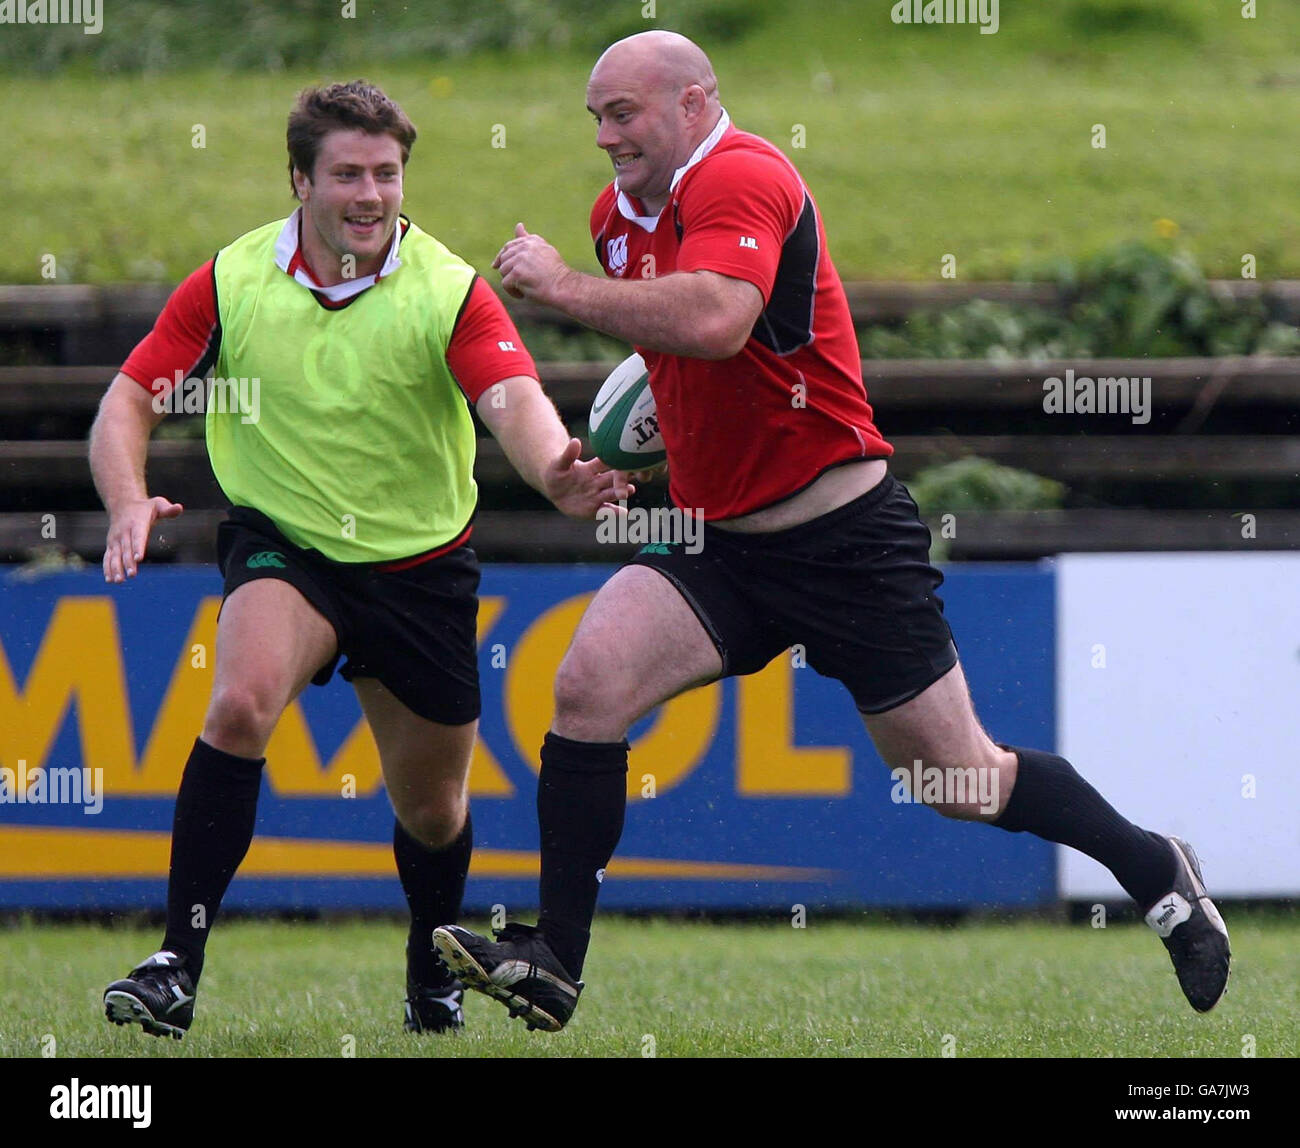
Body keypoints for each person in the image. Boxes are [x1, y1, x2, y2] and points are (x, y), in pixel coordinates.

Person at [433, 31, 1231, 1032]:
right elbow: (692, 365)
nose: (604, 135)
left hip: (841, 536)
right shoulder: (618, 216)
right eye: (595, 115)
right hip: (718, 541)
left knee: (960, 777)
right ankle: (554, 959)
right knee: (588, 684)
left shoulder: (745, 174)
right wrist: (633, 461)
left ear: (692, 101)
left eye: (622, 113)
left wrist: (558, 289)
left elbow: (720, 318)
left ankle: (1155, 867)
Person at [89, 80, 632, 1039]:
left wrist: (560, 475)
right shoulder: (231, 279)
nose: (371, 193)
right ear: (300, 179)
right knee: (241, 700)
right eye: (347, 173)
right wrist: (128, 498)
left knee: (432, 808)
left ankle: (433, 967)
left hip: (419, 567)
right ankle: (177, 959)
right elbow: (129, 402)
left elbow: (513, 404)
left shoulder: (448, 290)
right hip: (283, 545)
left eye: (386, 173)